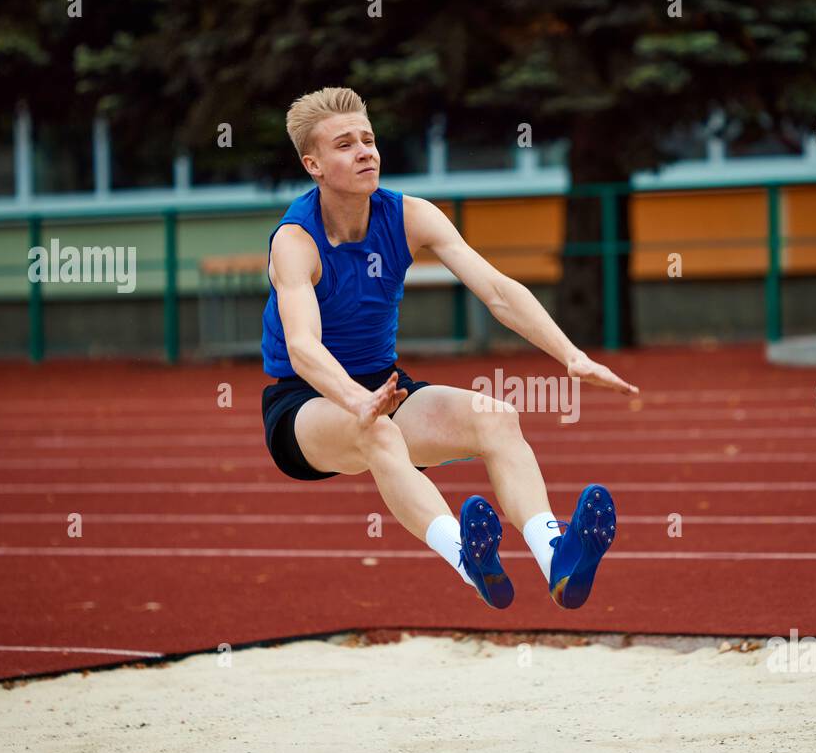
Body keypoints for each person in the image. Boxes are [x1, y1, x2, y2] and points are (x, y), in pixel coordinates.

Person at [261, 87, 639, 610]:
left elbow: (498, 291)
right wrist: (355, 400)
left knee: (497, 416)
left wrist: (570, 355)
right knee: (377, 430)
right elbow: (303, 346)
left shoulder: (410, 216)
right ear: (314, 165)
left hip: (386, 385)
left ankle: (556, 557)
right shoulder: (295, 241)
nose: (365, 152)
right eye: (345, 145)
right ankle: (468, 559)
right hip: (303, 407)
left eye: (368, 140)